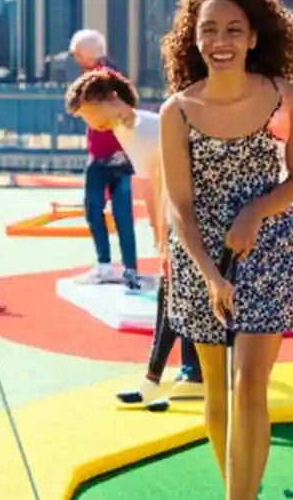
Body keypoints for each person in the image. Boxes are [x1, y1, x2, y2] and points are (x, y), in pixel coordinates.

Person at [158, 0, 293, 499]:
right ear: (193, 38)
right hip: (200, 258)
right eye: (208, 30)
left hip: (268, 248)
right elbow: (178, 205)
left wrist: (254, 213)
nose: (220, 41)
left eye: (232, 29)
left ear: (252, 36)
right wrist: (208, 275)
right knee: (217, 393)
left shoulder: (283, 95)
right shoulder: (175, 112)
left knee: (249, 384)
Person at [65, 68, 204, 404]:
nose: (90, 124)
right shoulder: (127, 127)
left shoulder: (143, 127)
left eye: (90, 114)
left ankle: (184, 375)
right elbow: (154, 182)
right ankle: (173, 376)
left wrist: (167, 235)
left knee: (180, 294)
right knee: (175, 294)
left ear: (112, 99)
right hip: (182, 216)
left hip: (196, 213)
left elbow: (162, 183)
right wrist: (162, 236)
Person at [70, 29, 140, 291]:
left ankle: (115, 267)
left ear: (85, 54)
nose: (76, 58)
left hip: (111, 159)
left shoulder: (105, 80)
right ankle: (118, 267)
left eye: (78, 54)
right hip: (106, 157)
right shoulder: (102, 77)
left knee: (106, 211)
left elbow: (128, 109)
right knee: (106, 211)